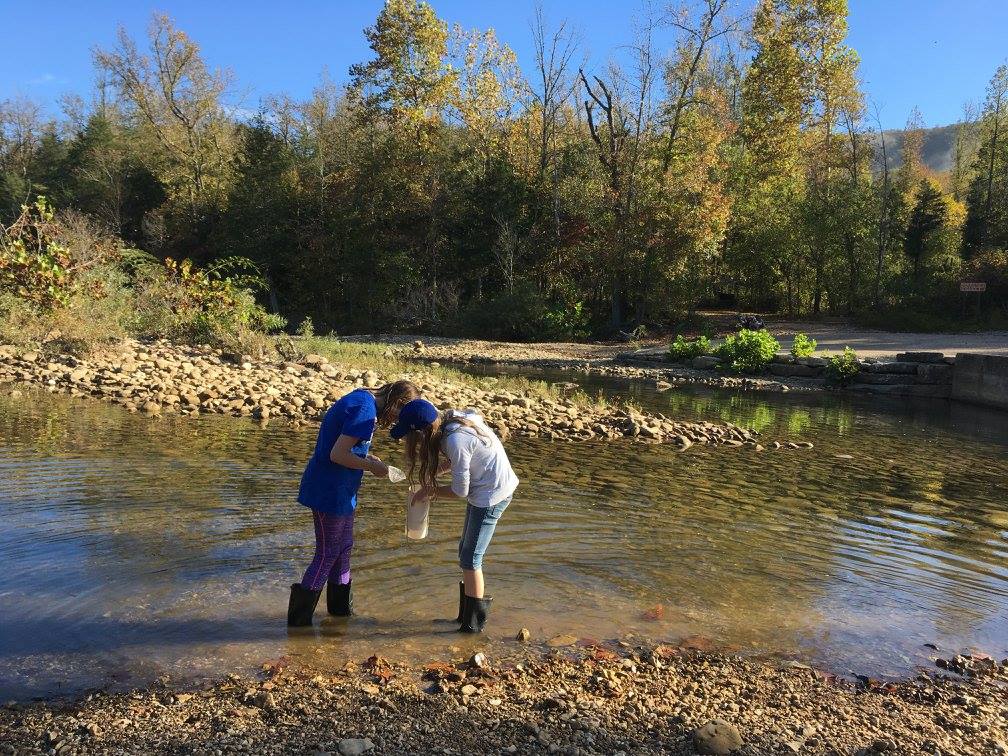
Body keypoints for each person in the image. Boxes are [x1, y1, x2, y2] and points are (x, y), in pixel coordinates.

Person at [287, 380, 421, 626]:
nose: (394, 422)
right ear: (397, 403)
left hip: (342, 489)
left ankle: (339, 617)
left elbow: (342, 447)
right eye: (400, 415)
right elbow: (336, 455)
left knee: (344, 547)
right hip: (329, 489)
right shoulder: (364, 410)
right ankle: (298, 624)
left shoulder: (362, 400)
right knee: (328, 553)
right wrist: (372, 466)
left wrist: (365, 457)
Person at [392, 399, 518, 633]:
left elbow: (461, 491)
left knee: (471, 558)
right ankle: (464, 618)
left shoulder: (455, 440)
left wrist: (431, 492)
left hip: (492, 495)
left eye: (412, 439)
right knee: (465, 552)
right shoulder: (451, 422)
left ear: (422, 434)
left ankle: (473, 626)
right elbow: (462, 458)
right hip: (486, 488)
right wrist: (435, 474)